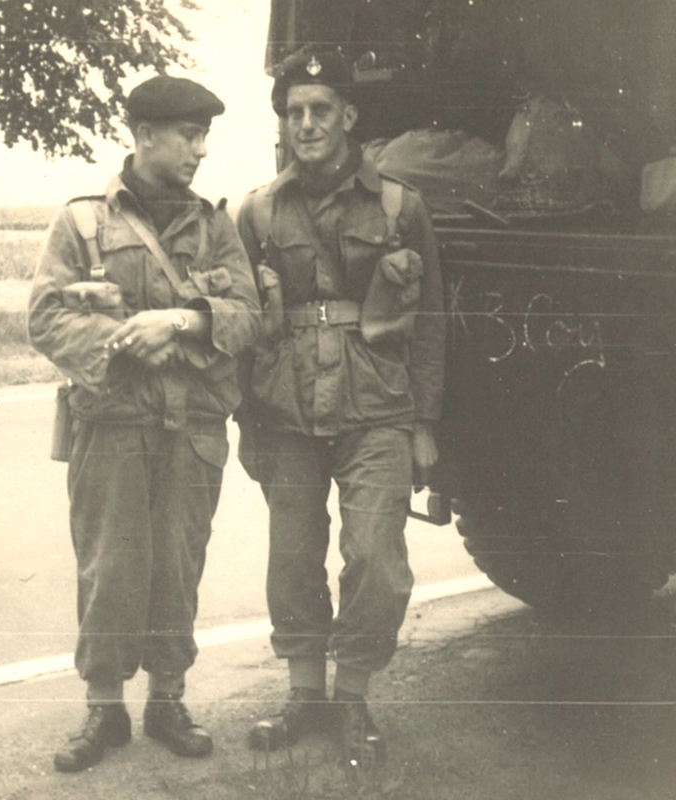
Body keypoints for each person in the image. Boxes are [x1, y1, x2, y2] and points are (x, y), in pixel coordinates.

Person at [28, 75, 260, 773]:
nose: (200, 150)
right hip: (113, 423)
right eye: (189, 135)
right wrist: (125, 340)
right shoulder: (81, 222)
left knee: (178, 565)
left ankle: (168, 700)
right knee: (110, 566)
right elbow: (44, 316)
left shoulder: (216, 227)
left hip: (191, 428)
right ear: (144, 135)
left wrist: (181, 323)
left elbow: (249, 316)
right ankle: (104, 710)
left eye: (205, 136)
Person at [235, 49, 445, 767]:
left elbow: (432, 322)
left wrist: (422, 424)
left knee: (378, 560)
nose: (306, 124)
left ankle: (352, 695)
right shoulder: (258, 210)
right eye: (294, 113)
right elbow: (243, 327)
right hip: (285, 408)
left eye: (321, 110)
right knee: (292, 558)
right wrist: (248, 424)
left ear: (349, 117)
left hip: (377, 409)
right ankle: (304, 696)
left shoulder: (398, 206)